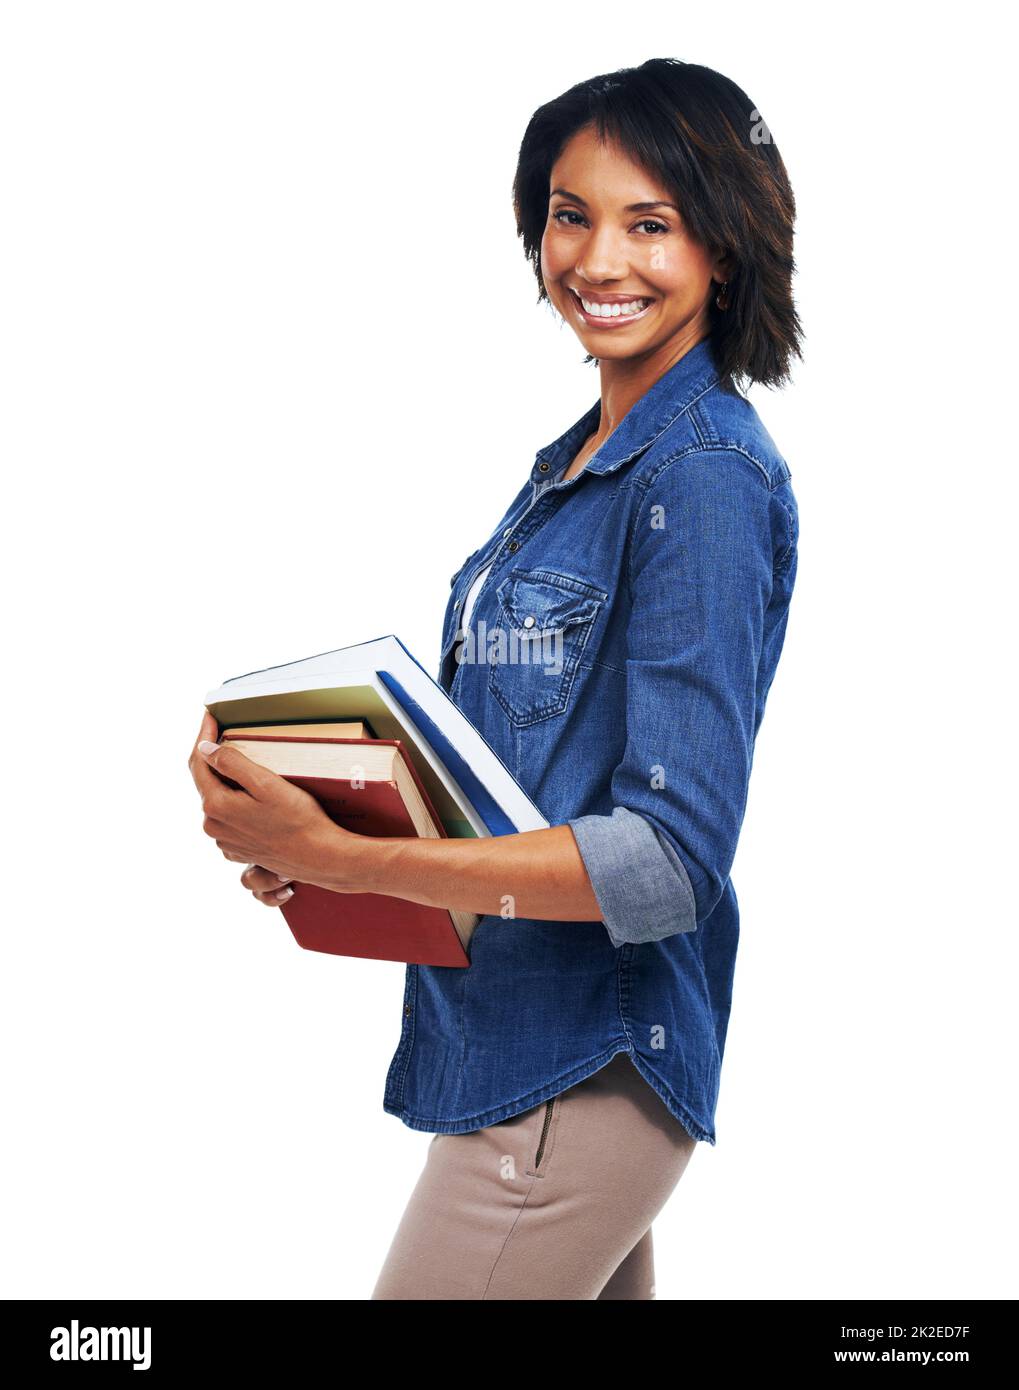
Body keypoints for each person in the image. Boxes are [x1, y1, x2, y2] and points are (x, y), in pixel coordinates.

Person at [189, 57, 803, 1300]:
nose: (599, 259)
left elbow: (667, 860)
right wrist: (325, 834)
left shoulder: (701, 478)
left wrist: (361, 860)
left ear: (722, 251)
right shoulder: (578, 465)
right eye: (570, 215)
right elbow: (507, 782)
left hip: (576, 1067)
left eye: (651, 223)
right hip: (516, 1042)